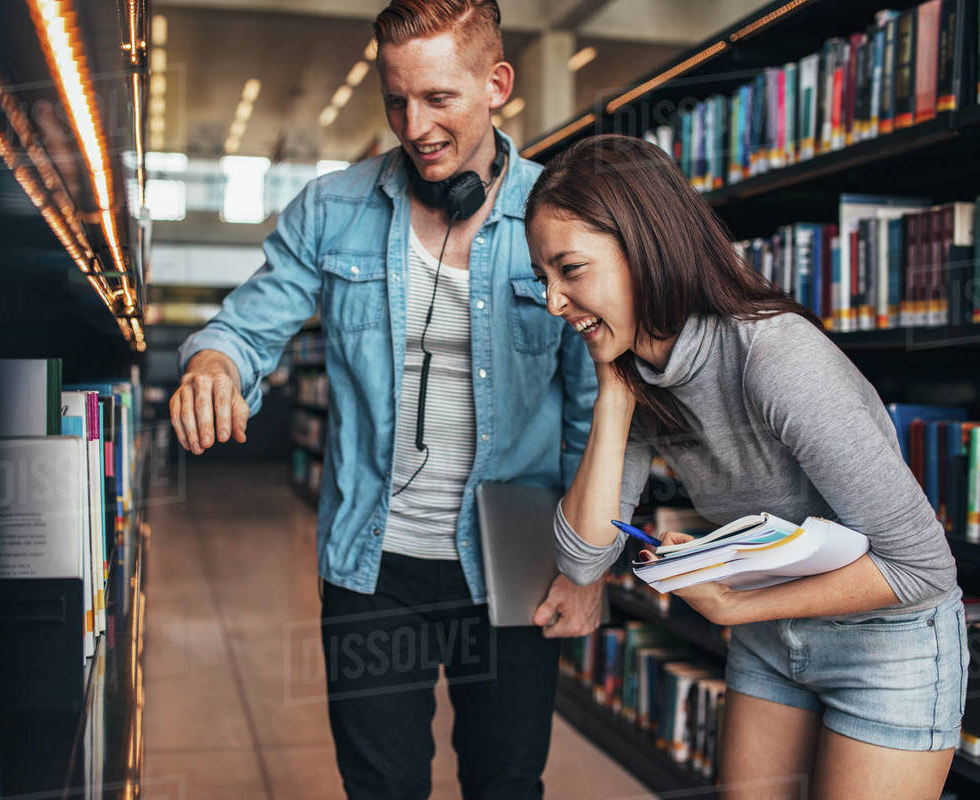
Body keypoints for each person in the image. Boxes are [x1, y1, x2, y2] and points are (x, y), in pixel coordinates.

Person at [169, 1, 602, 796]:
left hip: (513, 561)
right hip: (374, 564)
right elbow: (249, 323)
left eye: (440, 99)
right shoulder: (334, 208)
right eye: (396, 100)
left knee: (507, 783)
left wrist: (588, 565)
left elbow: (593, 410)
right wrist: (215, 367)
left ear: (497, 82)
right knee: (381, 786)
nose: (416, 125)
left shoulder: (561, 216)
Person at [527, 134, 967, 799]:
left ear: (645, 246)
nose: (554, 301)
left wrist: (731, 602)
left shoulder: (774, 358)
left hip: (885, 645)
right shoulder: (643, 373)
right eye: (544, 278)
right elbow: (586, 558)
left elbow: (923, 568)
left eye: (571, 270)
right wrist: (613, 392)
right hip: (771, 632)